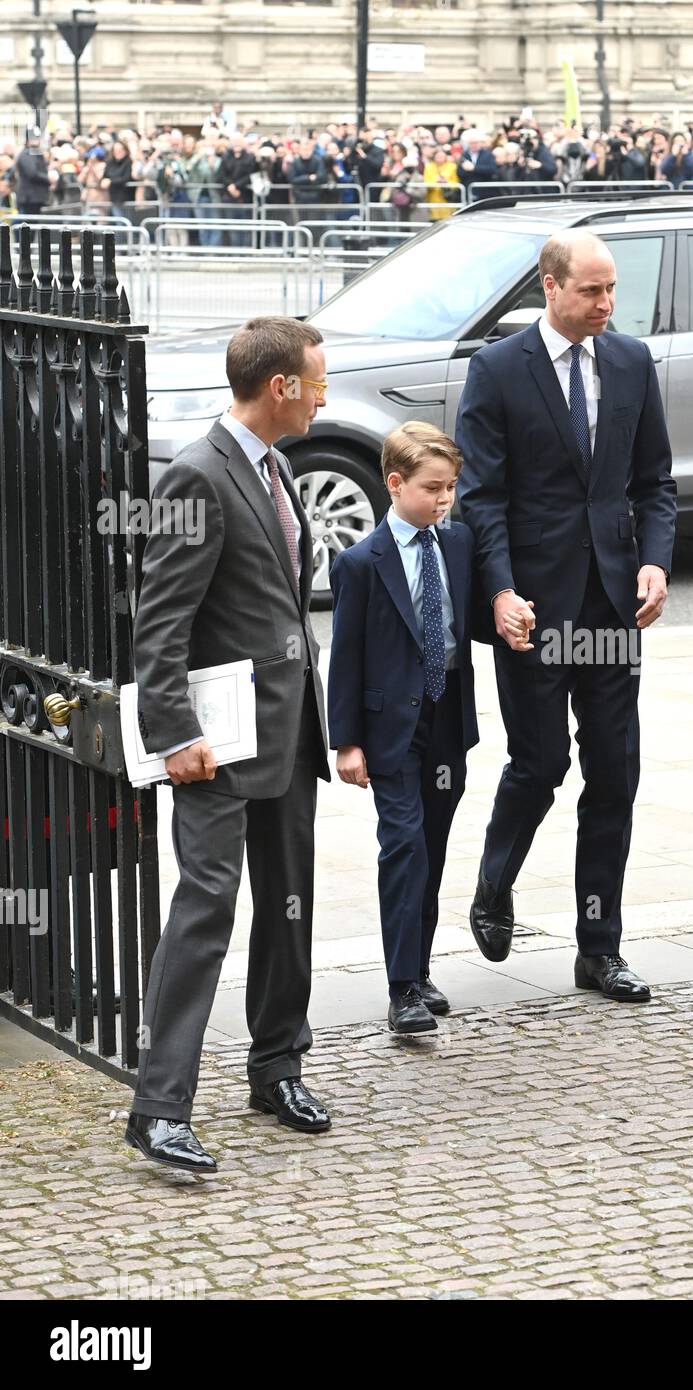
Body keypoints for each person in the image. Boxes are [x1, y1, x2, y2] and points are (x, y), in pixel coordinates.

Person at [124, 317, 332, 1173]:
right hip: (217, 745)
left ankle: (276, 1067)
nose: (324, 392)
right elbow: (159, 623)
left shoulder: (277, 467)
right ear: (280, 386)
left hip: (288, 731)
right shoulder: (197, 476)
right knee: (204, 915)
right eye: (317, 380)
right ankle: (158, 1107)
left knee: (291, 908)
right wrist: (176, 736)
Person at [455, 230, 677, 1002]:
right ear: (550, 287)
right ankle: (494, 881)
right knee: (541, 763)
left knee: (614, 772)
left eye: (612, 288)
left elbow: (655, 483)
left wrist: (654, 559)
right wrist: (499, 591)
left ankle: (599, 947)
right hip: (535, 608)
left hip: (613, 604)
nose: (607, 304)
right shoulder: (496, 369)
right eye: (591, 290)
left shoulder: (629, 361)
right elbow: (479, 498)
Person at [328, 423, 479, 1036]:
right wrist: (347, 741)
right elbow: (347, 654)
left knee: (434, 848)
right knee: (404, 846)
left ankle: (419, 966)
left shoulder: (459, 544)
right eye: (432, 488)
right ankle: (401, 989)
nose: (443, 500)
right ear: (395, 484)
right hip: (390, 729)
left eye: (450, 489)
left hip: (447, 720)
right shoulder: (361, 562)